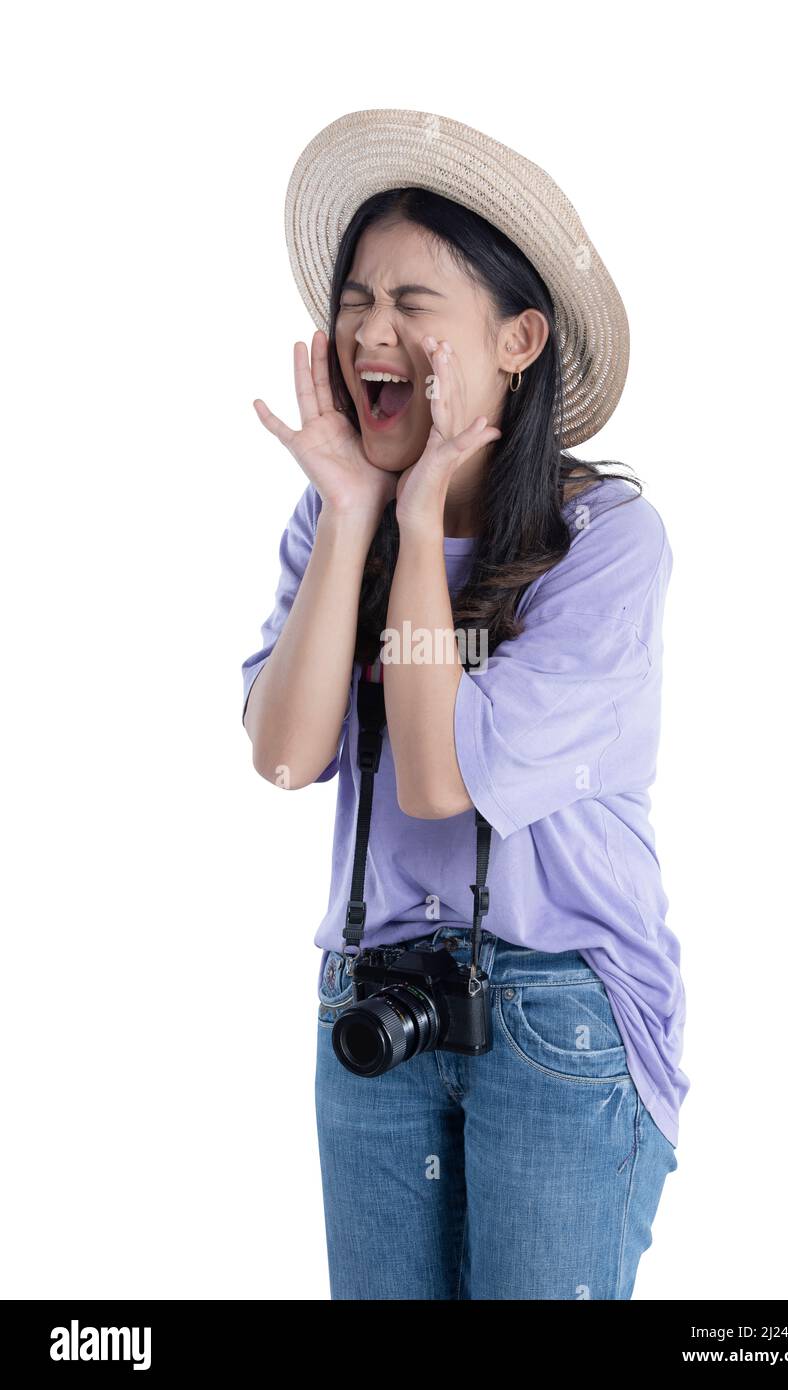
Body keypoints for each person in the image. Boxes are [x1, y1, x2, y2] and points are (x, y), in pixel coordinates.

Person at [241, 109, 688, 1300]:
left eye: (411, 303)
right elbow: (286, 757)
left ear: (519, 337)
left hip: (558, 1009)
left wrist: (428, 501)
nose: (368, 333)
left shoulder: (607, 543)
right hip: (375, 1005)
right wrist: (352, 513)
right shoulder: (336, 522)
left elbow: (442, 776)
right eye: (354, 300)